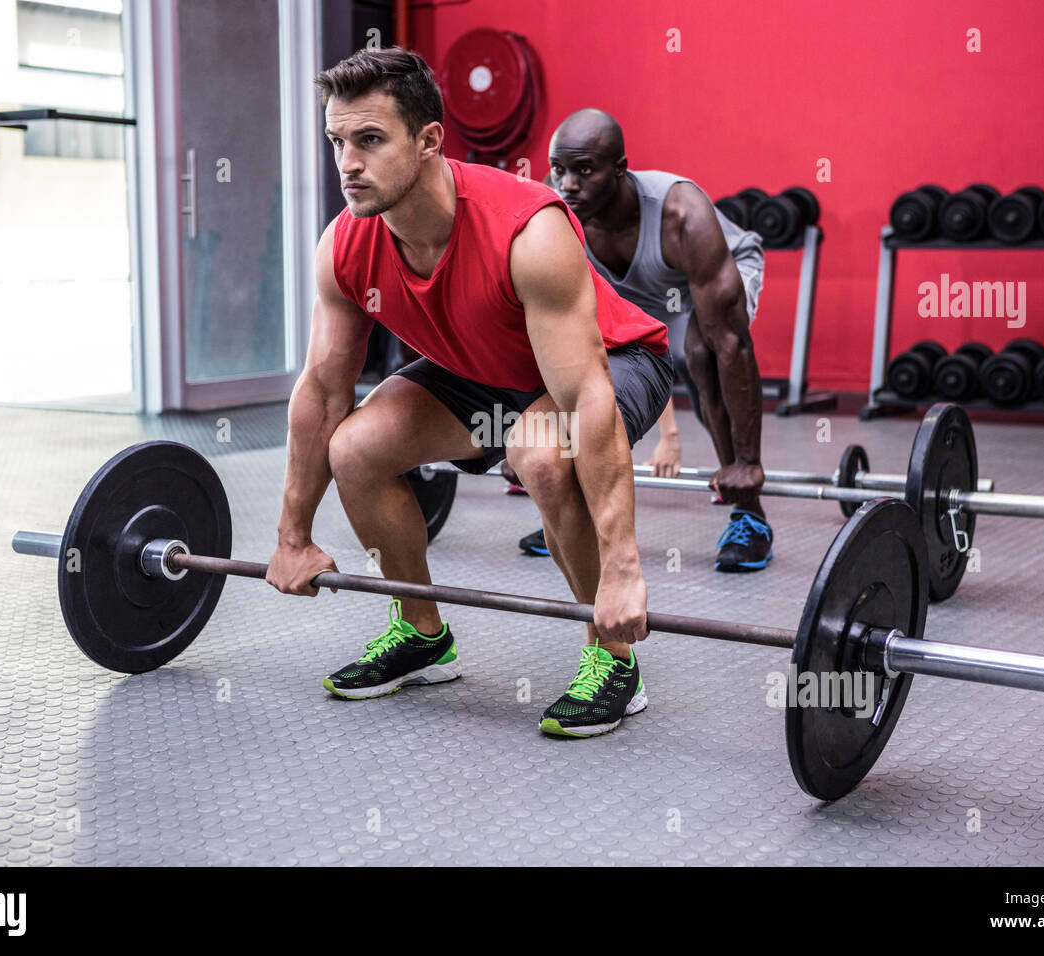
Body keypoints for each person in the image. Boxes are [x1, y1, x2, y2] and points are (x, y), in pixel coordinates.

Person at [265, 47, 674, 738]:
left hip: (615, 362)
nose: (347, 163)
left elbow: (585, 396)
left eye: (370, 140)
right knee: (356, 447)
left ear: (429, 140)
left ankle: (613, 656)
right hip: (482, 374)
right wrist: (292, 535)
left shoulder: (527, 230)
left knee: (539, 453)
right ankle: (422, 633)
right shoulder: (344, 245)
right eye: (338, 141)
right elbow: (323, 391)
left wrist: (625, 566)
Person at [513, 109, 771, 573]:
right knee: (572, 344)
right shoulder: (556, 216)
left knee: (700, 353)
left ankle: (749, 513)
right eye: (559, 169)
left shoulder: (681, 215)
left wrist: (747, 462)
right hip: (638, 292)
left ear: (620, 168)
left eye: (584, 170)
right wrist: (519, 439)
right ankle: (571, 507)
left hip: (702, 281)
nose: (568, 184)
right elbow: (539, 326)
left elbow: (731, 343)